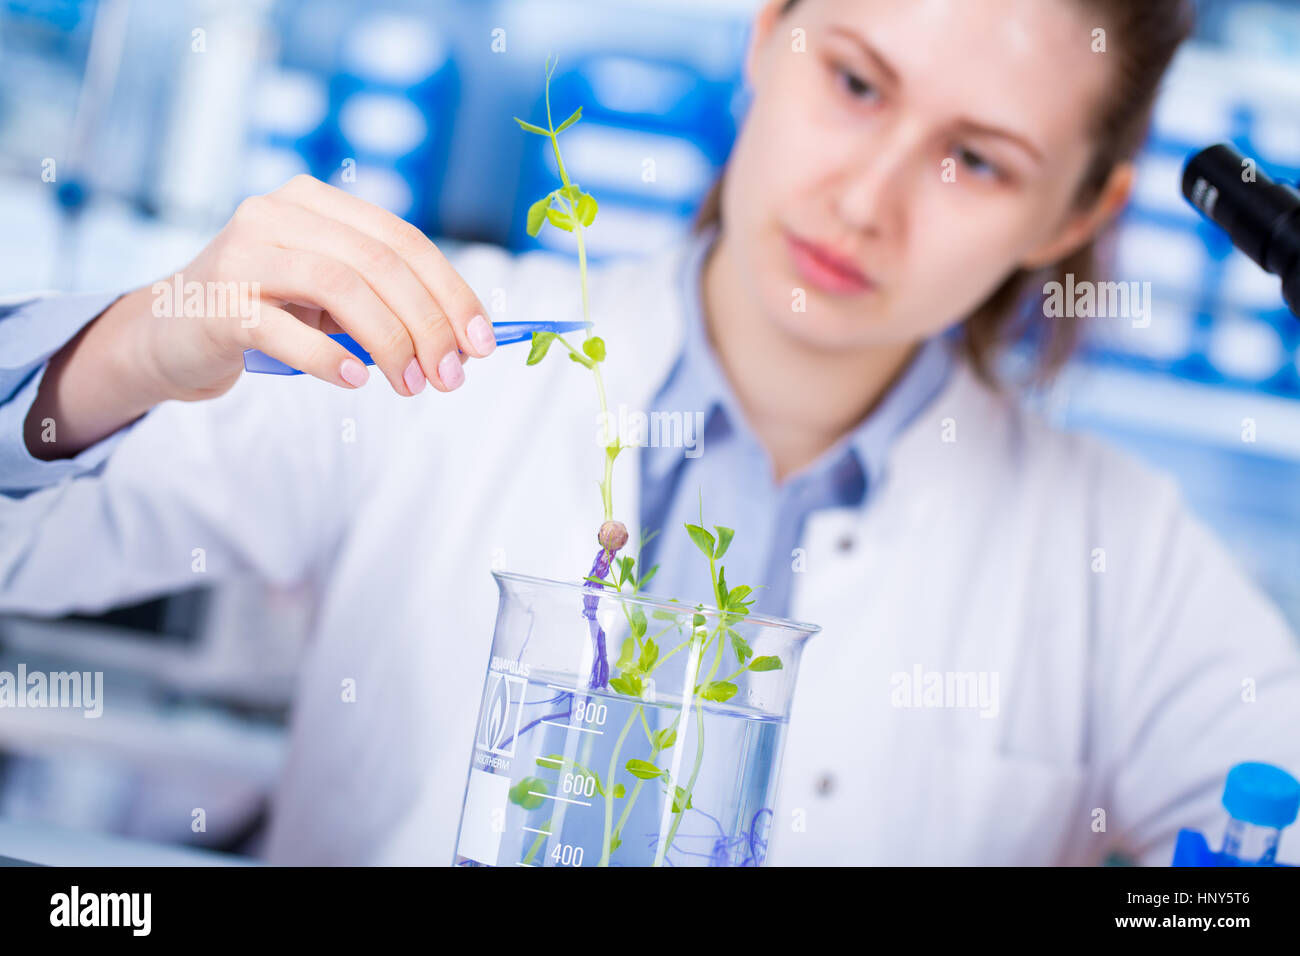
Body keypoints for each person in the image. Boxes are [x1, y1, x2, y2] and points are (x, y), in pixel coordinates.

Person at [3, 0, 1299, 865]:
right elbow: (27, 546)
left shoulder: (1115, 554)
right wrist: (123, 351)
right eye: (853, 82)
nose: (867, 197)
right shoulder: (453, 351)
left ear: (1077, 215)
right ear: (766, 34)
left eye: (978, 162)